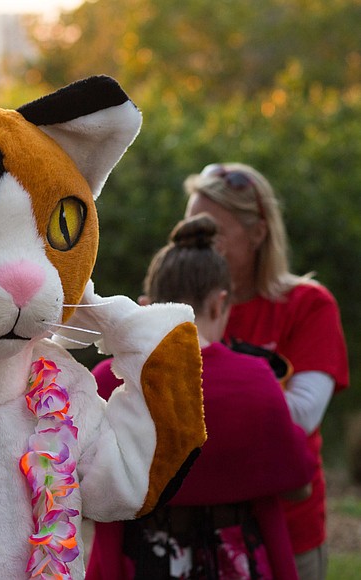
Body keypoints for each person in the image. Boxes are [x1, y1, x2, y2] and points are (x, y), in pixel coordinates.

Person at [86, 214, 317, 579]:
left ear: (146, 305)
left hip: (143, 561)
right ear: (219, 303)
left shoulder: (108, 381)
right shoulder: (257, 379)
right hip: (235, 562)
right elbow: (297, 489)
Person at [184, 162, 349, 580]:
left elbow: (303, 414)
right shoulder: (179, 308)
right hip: (192, 527)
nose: (197, 245)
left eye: (213, 232)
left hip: (287, 532)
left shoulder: (308, 305)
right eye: (191, 229)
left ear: (257, 233)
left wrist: (201, 404)